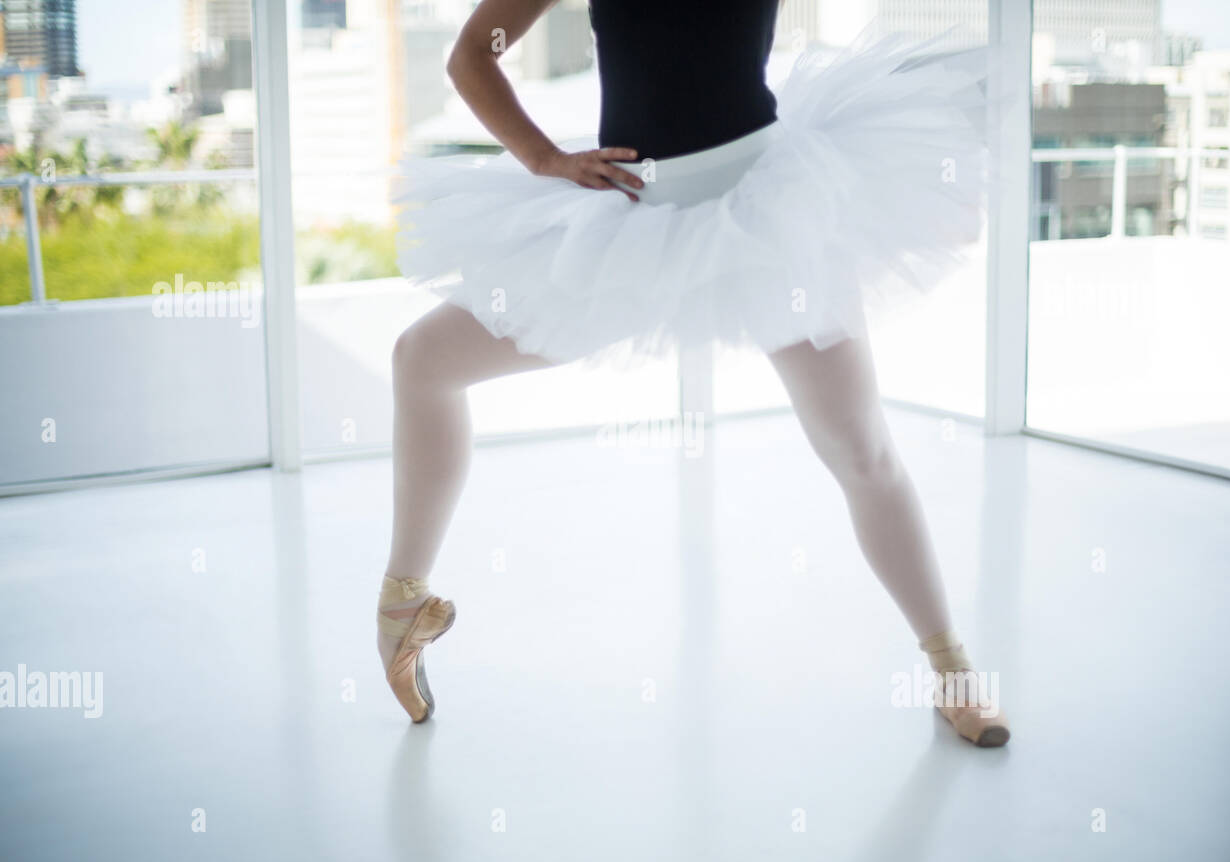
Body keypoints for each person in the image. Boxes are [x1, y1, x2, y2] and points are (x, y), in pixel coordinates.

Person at [378, 0, 1010, 746]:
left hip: (773, 208)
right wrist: (545, 157)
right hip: (632, 221)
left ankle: (951, 669)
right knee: (421, 360)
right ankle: (401, 605)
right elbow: (471, 56)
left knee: (862, 450)